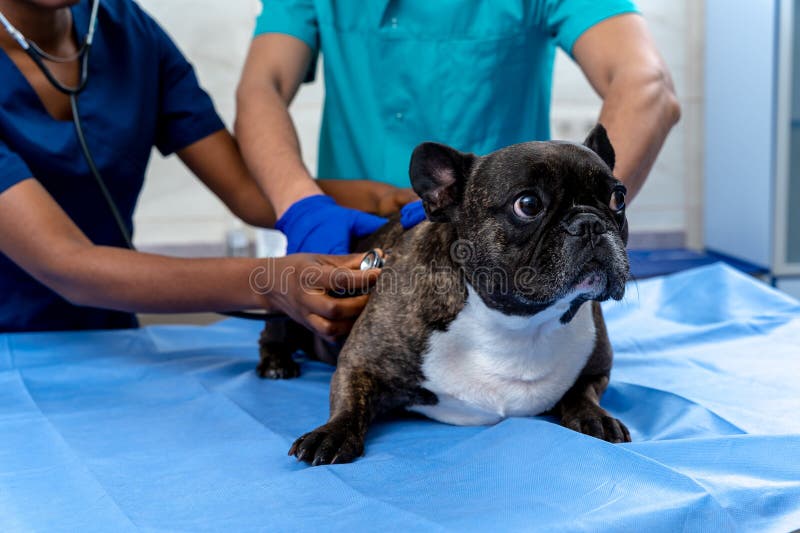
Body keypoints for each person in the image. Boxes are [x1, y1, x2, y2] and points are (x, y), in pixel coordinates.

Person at [0, 0, 383, 337]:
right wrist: (270, 283)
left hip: (111, 342)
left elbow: (248, 192)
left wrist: (395, 202)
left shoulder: (128, 32)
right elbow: (66, 264)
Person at [236, 0, 681, 256]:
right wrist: (303, 208)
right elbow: (262, 87)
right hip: (357, 245)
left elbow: (648, 87)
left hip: (507, 260)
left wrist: (568, 237)